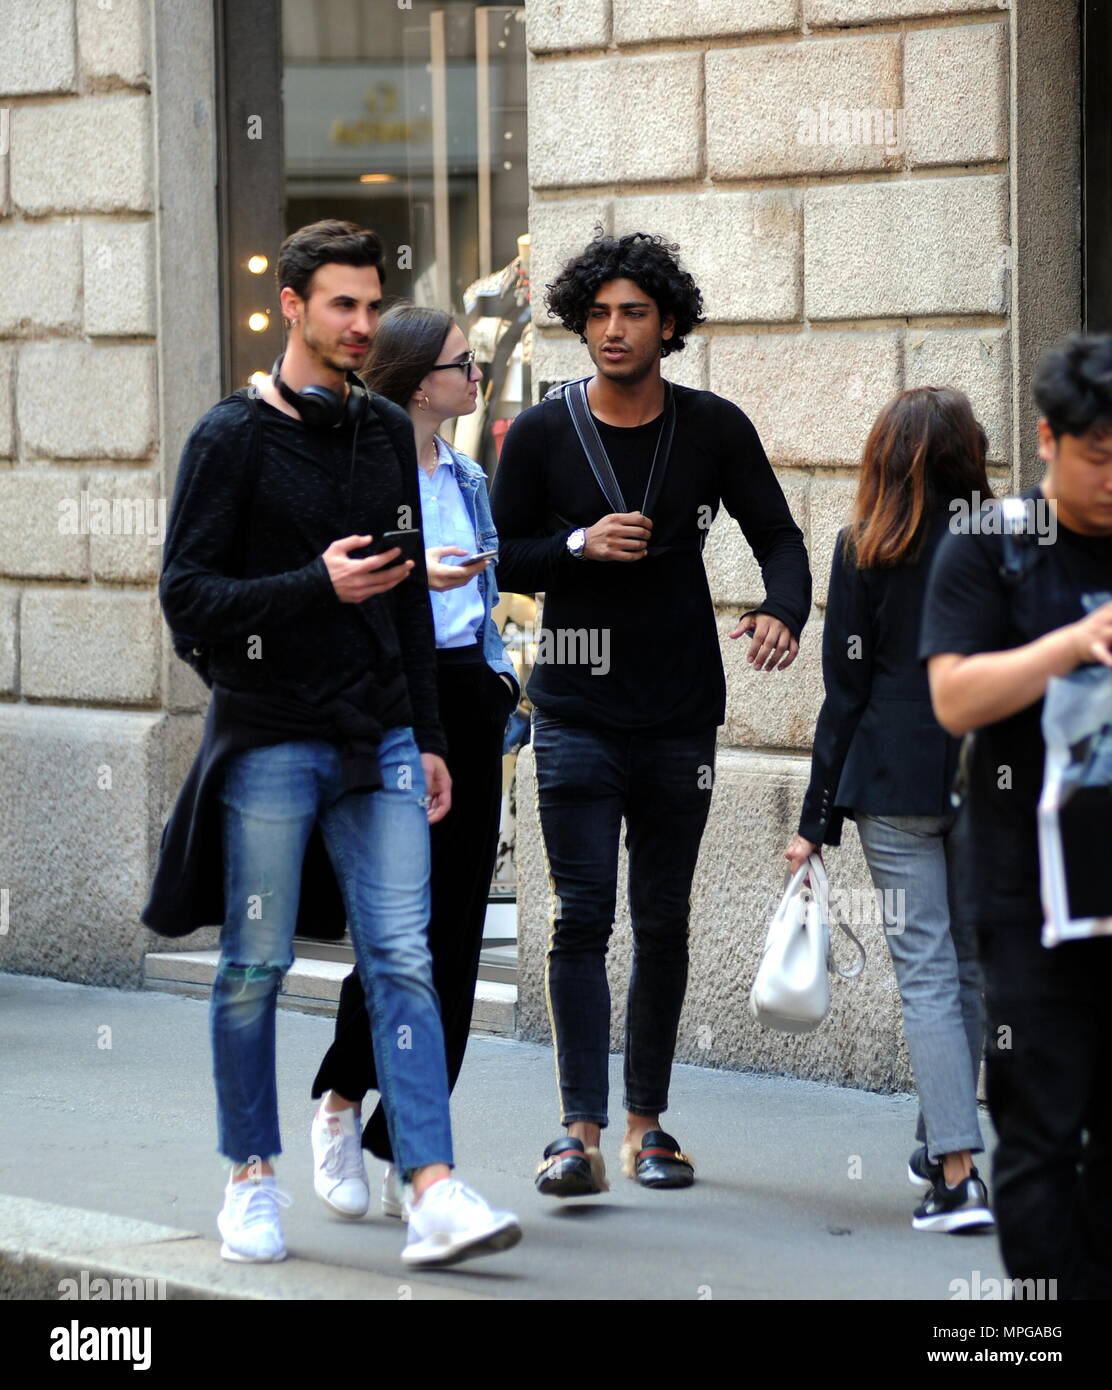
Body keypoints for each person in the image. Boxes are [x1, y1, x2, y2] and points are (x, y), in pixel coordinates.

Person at [143, 220, 520, 1268]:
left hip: (386, 738)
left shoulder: (374, 435)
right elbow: (188, 599)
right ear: (292, 308)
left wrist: (432, 735)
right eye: (340, 305)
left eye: (370, 304)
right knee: (254, 965)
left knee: (404, 955)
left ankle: (433, 1187)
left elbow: (401, 596)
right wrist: (314, 585)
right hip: (270, 740)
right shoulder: (230, 437)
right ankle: (251, 1175)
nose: (360, 324)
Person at [490, 231, 811, 1196]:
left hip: (679, 713)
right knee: (580, 918)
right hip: (576, 706)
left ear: (668, 325)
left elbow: (782, 540)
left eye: (634, 313)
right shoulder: (544, 434)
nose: (614, 329)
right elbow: (501, 556)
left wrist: (781, 611)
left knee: (661, 918)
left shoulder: (713, 428)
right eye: (598, 314)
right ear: (579, 324)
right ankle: (575, 1134)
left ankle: (648, 1127)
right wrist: (578, 543)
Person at [309, 304, 520, 1221]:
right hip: (395, 700)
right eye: (462, 365)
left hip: (468, 697)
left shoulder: (470, 474)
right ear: (417, 379)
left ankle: (405, 1147)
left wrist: (504, 688)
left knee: (460, 938)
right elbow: (339, 587)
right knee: (402, 929)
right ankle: (339, 1100)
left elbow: (488, 591)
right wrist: (409, 574)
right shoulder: (359, 469)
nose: (476, 378)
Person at [922, 332, 1112, 1297]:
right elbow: (954, 698)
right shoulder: (993, 544)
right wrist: (1074, 642)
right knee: (1041, 1131)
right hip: (1032, 894)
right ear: (1048, 440)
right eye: (1100, 454)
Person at [784, 387, 995, 1234]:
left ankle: (954, 1176)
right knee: (968, 970)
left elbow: (847, 693)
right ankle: (942, 1144)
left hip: (894, 786)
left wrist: (814, 820)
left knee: (929, 978)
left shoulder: (862, 548)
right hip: (986, 778)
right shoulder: (1002, 544)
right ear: (968, 456)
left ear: (884, 457)